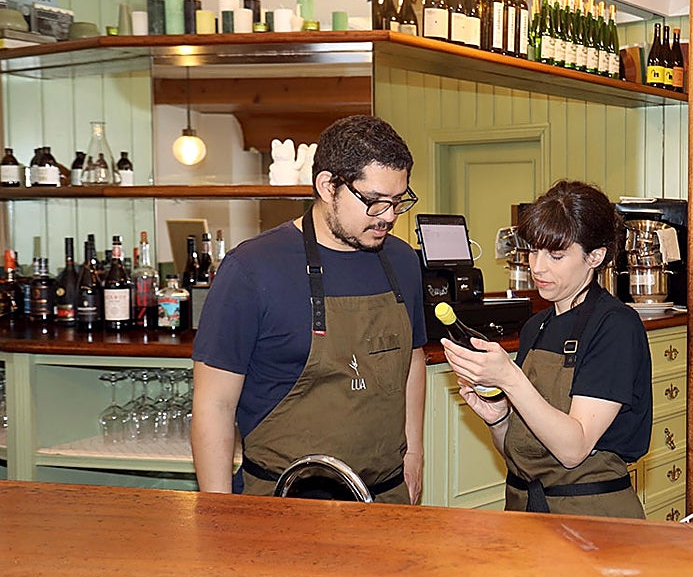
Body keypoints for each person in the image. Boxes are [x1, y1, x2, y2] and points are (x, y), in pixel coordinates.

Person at [190, 115, 427, 504]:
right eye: (374, 201)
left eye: (398, 201)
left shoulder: (402, 261)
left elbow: (412, 360)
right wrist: (220, 513)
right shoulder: (252, 269)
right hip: (282, 504)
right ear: (327, 186)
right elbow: (214, 404)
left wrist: (414, 453)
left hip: (386, 501)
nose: (388, 216)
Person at [441, 180, 651, 517]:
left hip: (592, 518)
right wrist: (499, 421)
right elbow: (522, 451)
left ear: (594, 256)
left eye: (555, 255)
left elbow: (573, 448)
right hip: (528, 511)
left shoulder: (616, 327)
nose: (537, 267)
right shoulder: (535, 327)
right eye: (533, 251)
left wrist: (510, 379)